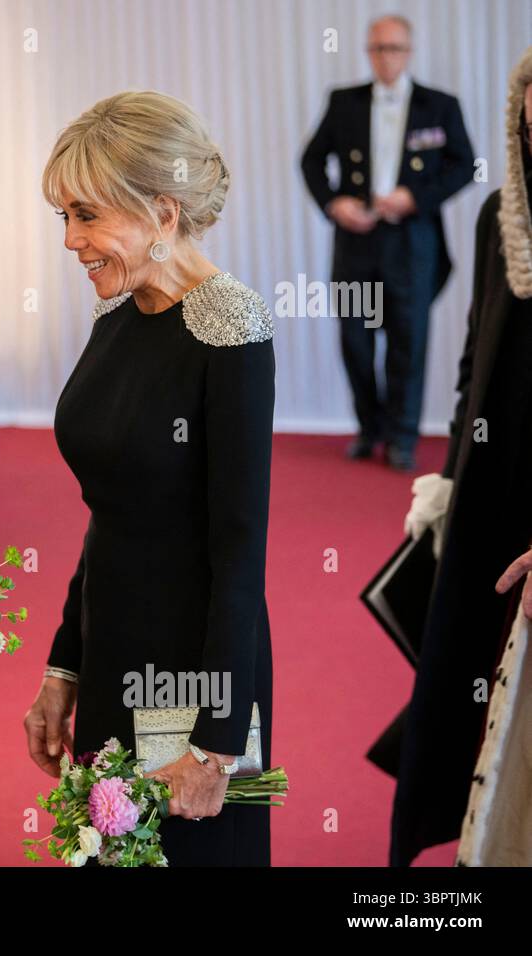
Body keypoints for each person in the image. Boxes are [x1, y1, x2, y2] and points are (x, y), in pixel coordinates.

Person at [23, 92, 275, 866]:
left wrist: (217, 749)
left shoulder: (231, 325)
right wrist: (64, 664)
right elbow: (111, 513)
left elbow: (239, 554)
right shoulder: (117, 315)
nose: (71, 241)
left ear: (163, 214)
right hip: (111, 652)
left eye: (87, 217)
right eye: (64, 217)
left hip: (195, 678)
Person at [391, 46, 532, 867]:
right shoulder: (494, 218)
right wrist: (447, 473)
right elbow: (475, 360)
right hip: (487, 491)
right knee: (463, 681)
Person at [301, 14, 474, 471]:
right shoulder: (344, 102)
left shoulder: (440, 105)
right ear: (367, 51)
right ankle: (370, 426)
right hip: (355, 241)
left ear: (409, 51)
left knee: (407, 341)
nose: (386, 57)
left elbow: (463, 166)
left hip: (413, 243)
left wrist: (414, 197)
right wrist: (334, 203)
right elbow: (311, 160)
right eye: (378, 48)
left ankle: (402, 435)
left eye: (395, 48)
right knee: (355, 342)